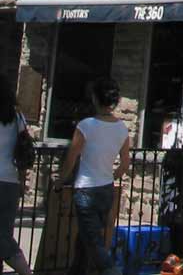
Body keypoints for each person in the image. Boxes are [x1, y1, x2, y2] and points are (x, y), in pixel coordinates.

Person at [54, 77, 130, 275]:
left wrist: (60, 181)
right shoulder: (122, 128)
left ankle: (112, 271)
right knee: (86, 240)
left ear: (95, 99)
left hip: (86, 188)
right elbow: (125, 163)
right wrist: (112, 174)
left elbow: (72, 158)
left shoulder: (86, 126)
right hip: (106, 189)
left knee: (93, 242)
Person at [0, 74, 31, 275]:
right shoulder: (18, 118)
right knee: (4, 232)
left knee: (3, 239)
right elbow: (23, 149)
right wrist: (21, 181)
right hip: (10, 181)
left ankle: (26, 271)